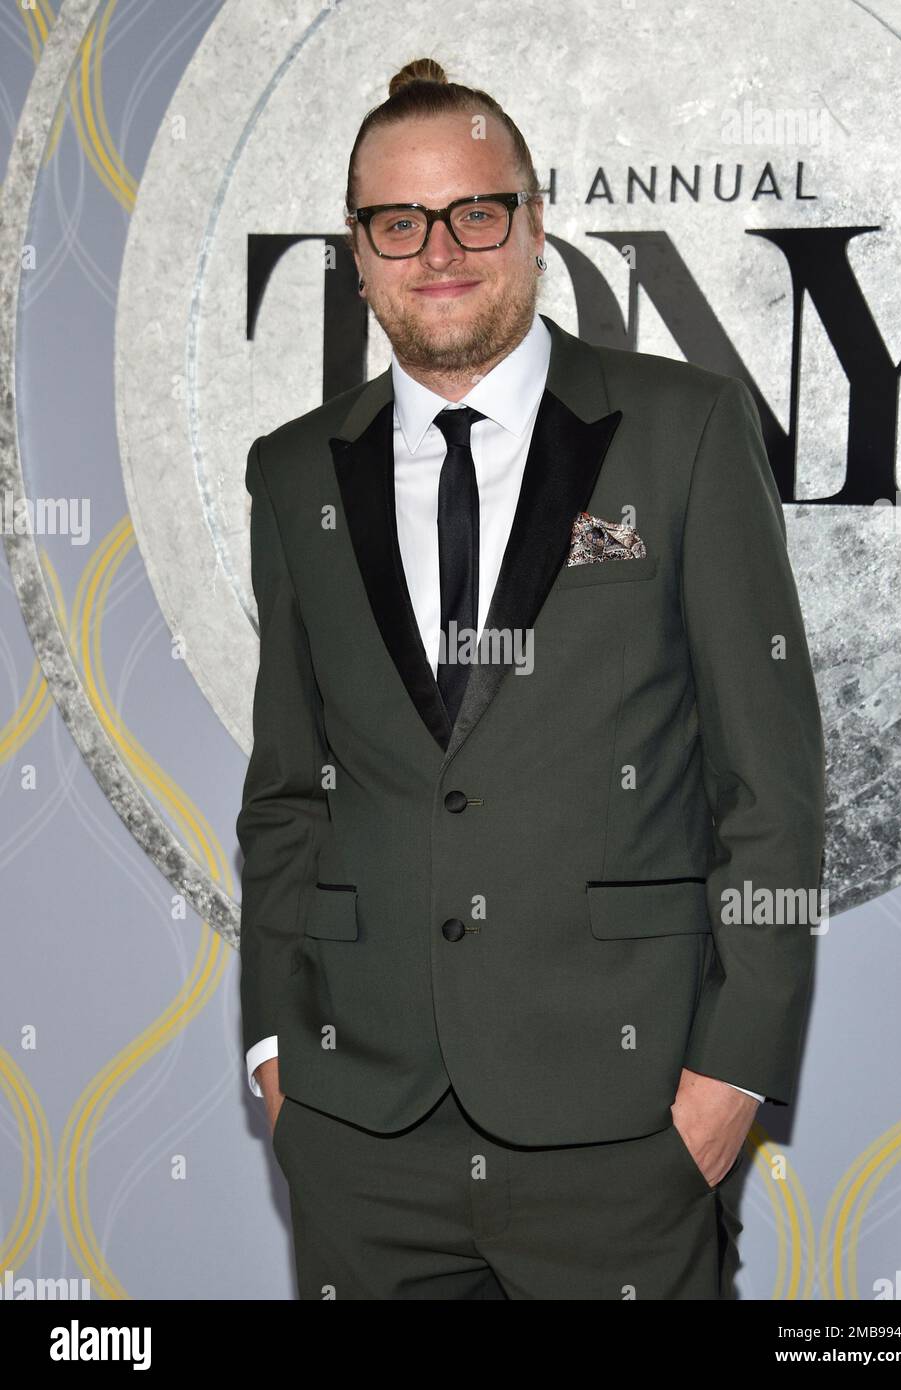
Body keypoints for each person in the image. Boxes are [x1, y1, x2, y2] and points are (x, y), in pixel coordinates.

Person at [236, 56, 826, 1300]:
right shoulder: (294, 475)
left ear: (534, 224)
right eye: (398, 220)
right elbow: (288, 789)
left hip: (623, 1126)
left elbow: (770, 784)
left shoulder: (687, 429)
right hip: (361, 1130)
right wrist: (277, 1053)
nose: (437, 248)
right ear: (356, 248)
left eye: (474, 211)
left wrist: (732, 1072)